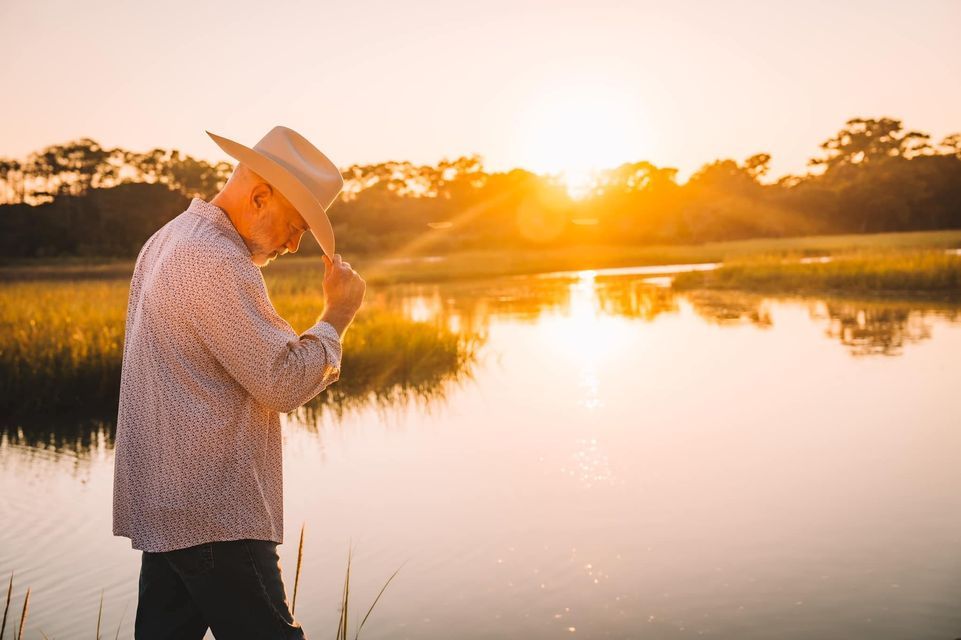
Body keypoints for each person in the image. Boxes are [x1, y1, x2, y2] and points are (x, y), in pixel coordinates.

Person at [112, 126, 365, 639]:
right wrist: (337, 315)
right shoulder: (216, 260)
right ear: (258, 196)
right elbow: (284, 383)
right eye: (296, 226)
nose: (295, 245)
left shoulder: (167, 240)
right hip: (216, 516)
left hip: (170, 511)